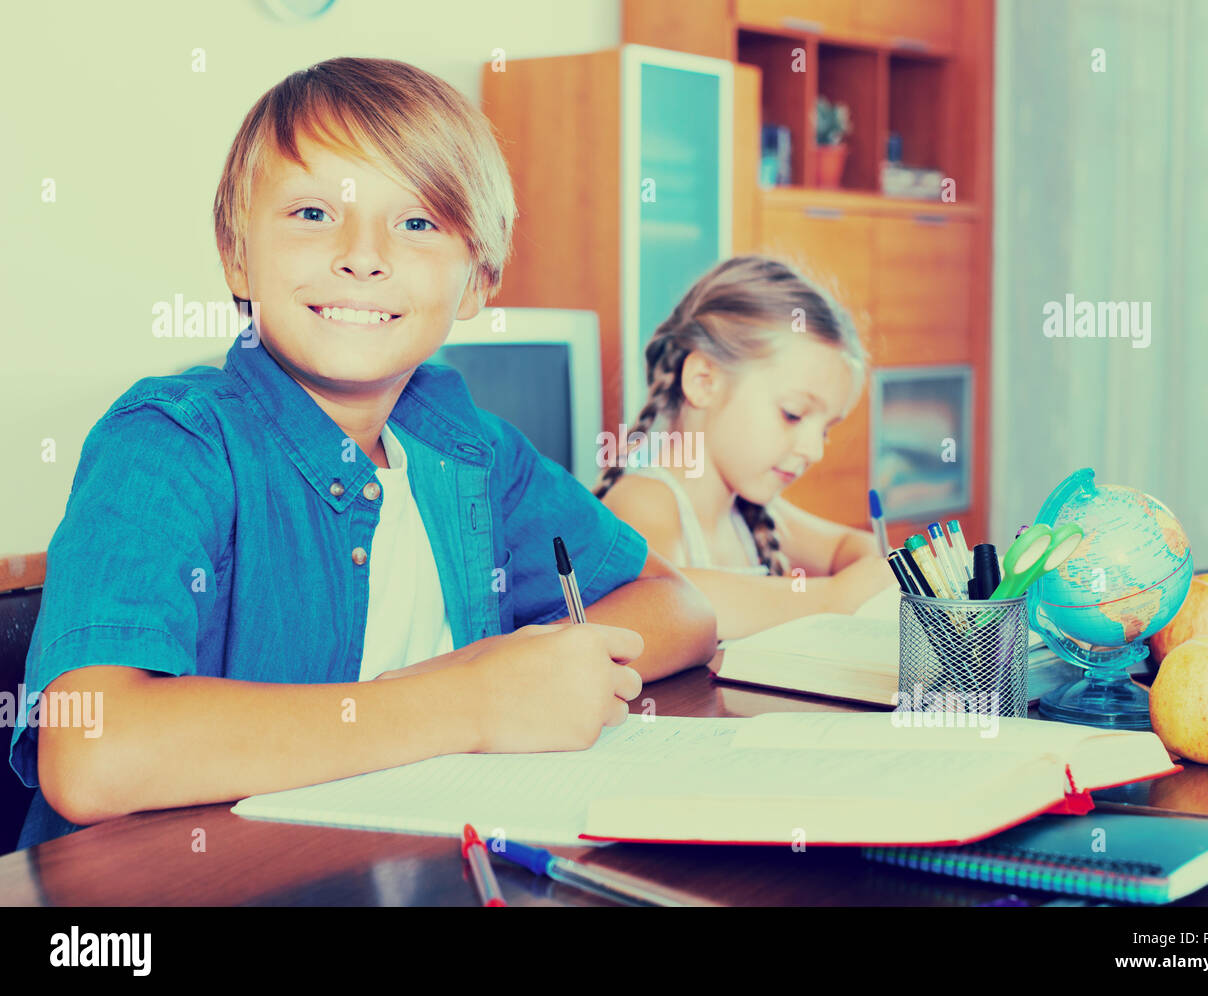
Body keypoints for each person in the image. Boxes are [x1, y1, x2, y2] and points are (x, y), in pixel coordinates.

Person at [10, 57, 715, 848]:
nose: (362, 255)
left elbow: (680, 608)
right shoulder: (171, 441)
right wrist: (467, 701)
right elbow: (93, 752)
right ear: (236, 253)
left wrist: (548, 670)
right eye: (312, 213)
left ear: (479, 279)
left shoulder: (466, 448)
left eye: (416, 223)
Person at [597, 256, 894, 640]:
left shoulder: (751, 514)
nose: (814, 451)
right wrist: (831, 598)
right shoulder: (644, 500)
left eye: (825, 430)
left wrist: (867, 574)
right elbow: (667, 600)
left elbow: (851, 547)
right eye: (793, 414)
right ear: (704, 381)